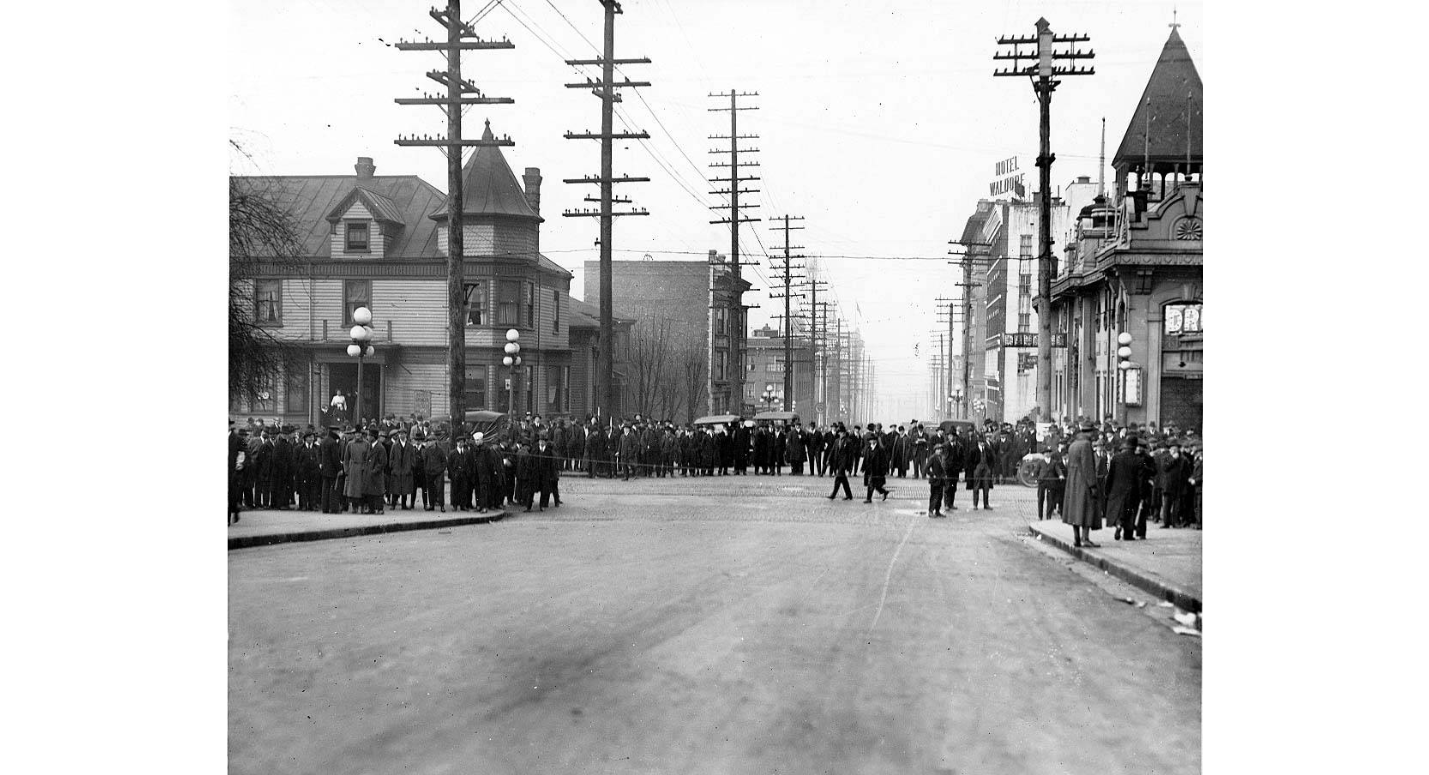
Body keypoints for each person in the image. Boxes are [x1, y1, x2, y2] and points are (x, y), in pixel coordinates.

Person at [1061, 421, 1104, 548]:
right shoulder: (1086, 445)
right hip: (1083, 481)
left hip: (1073, 481)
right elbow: (1088, 467)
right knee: (1087, 509)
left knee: (1075, 510)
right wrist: (1092, 485)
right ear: (1089, 432)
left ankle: (1076, 539)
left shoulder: (1073, 444)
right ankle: (1085, 538)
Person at [1104, 436, 1146, 541]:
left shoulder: (1116, 458)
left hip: (1116, 490)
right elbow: (1140, 480)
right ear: (1135, 446)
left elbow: (1110, 476)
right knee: (1130, 512)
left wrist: (1107, 490)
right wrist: (1142, 495)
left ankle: (1118, 524)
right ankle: (1128, 534)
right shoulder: (1139, 460)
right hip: (1131, 491)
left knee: (1118, 510)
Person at [1157, 438, 1189, 528]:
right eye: (1171, 448)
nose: (1173, 450)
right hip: (1168, 485)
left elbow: (1187, 472)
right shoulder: (1165, 457)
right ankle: (1166, 522)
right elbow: (1164, 467)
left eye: (1175, 448)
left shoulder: (1183, 459)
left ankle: (1175, 522)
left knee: (1177, 505)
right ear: (1169, 449)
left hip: (1179, 485)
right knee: (1166, 505)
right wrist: (1173, 459)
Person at [1036, 440, 1066, 521]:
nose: (1048, 454)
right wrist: (1037, 479)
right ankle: (1040, 516)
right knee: (1040, 499)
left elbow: (1058, 469)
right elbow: (1036, 471)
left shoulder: (1054, 462)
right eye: (1046, 452)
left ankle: (1048, 516)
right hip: (1042, 482)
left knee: (1050, 499)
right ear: (1044, 454)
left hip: (1051, 482)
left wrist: (1060, 475)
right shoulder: (1040, 462)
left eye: (1049, 452)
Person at [389, 428, 417, 510]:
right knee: (395, 489)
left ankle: (404, 505)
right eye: (400, 434)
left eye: (403, 433)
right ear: (398, 435)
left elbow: (413, 458)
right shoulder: (395, 446)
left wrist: (411, 466)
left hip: (406, 469)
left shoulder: (410, 446)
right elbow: (391, 457)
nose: (402, 435)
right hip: (397, 469)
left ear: (406, 435)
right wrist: (393, 466)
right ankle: (393, 504)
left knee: (405, 489)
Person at [825, 426, 855, 500]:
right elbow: (832, 451)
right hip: (837, 462)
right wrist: (828, 459)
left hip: (844, 463)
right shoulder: (836, 441)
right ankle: (849, 495)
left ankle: (833, 494)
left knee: (838, 478)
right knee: (843, 479)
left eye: (842, 433)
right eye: (840, 433)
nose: (841, 434)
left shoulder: (848, 441)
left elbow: (851, 455)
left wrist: (850, 466)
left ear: (845, 433)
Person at [295, 430, 322, 511]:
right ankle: (303, 505)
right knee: (303, 489)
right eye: (310, 437)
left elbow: (319, 459)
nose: (311, 439)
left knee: (313, 489)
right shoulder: (299, 448)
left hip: (314, 472)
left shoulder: (317, 448)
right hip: (303, 472)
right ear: (305, 438)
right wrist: (299, 470)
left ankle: (312, 505)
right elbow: (296, 461)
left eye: (313, 437)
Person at [420, 432, 447, 512]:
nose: (429, 443)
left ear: (435, 441)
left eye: (431, 441)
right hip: (429, 472)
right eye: (428, 441)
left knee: (440, 489)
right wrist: (427, 469)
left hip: (438, 473)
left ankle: (442, 505)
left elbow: (444, 462)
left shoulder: (440, 451)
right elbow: (425, 461)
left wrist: (441, 469)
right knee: (430, 489)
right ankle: (432, 505)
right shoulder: (427, 451)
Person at [860, 435, 891, 502]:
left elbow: (884, 461)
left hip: (877, 470)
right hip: (869, 469)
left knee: (874, 484)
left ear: (876, 441)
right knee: (871, 484)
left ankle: (869, 498)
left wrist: (884, 470)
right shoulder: (868, 448)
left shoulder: (880, 449)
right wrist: (863, 467)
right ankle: (884, 492)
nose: (871, 441)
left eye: (873, 440)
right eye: (870, 440)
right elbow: (865, 459)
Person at [365, 428, 388, 515]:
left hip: (376, 473)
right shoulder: (369, 446)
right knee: (370, 491)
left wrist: (375, 470)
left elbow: (382, 462)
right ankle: (371, 509)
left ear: (373, 437)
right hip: (370, 472)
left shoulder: (380, 447)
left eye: (369, 436)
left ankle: (380, 508)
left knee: (378, 492)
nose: (368, 437)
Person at [967, 437, 995, 510]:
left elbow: (992, 459)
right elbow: (969, 461)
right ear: (978, 442)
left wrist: (989, 468)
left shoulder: (988, 450)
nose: (983, 444)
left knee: (986, 487)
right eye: (981, 442)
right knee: (976, 487)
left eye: (983, 442)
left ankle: (986, 504)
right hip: (977, 470)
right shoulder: (974, 450)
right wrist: (974, 468)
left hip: (986, 470)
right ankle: (975, 505)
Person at [926, 443, 947, 518]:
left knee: (940, 497)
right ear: (935, 450)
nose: (939, 451)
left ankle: (937, 511)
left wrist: (944, 475)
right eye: (938, 449)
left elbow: (943, 468)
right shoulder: (933, 457)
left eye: (940, 449)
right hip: (934, 481)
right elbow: (926, 468)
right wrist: (932, 475)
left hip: (941, 481)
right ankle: (930, 511)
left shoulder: (941, 457)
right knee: (934, 496)